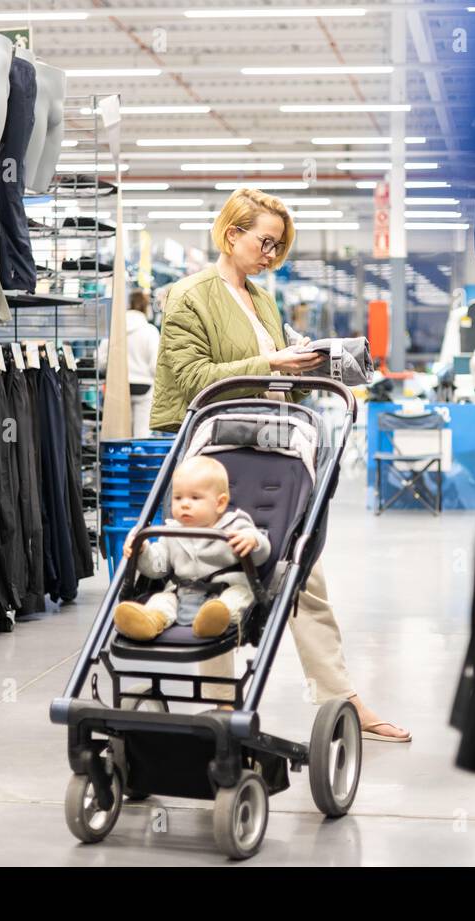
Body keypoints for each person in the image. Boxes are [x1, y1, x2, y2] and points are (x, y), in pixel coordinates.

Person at [148, 186, 411, 742]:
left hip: (269, 455)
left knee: (302, 573)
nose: (271, 255)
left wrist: (316, 363)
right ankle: (217, 708)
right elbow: (194, 380)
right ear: (232, 233)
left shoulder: (263, 300)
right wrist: (270, 360)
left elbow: (275, 371)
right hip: (210, 462)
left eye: (279, 246)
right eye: (265, 242)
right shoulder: (188, 297)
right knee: (213, 573)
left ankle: (341, 696)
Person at [114, 456, 270, 641]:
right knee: (162, 600)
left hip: (226, 589)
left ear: (220, 503)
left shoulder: (235, 525)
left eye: (195, 498)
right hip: (181, 593)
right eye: (178, 498)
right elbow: (158, 569)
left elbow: (261, 556)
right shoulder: (171, 531)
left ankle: (215, 619)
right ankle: (150, 620)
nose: (184, 504)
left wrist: (253, 542)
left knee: (238, 597)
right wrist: (143, 551)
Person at [97, 288, 160, 436]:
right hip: (144, 387)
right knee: (142, 434)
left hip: (118, 386)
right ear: (146, 308)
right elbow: (155, 365)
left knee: (118, 435)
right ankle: (139, 459)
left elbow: (102, 360)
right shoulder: (150, 331)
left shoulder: (115, 330)